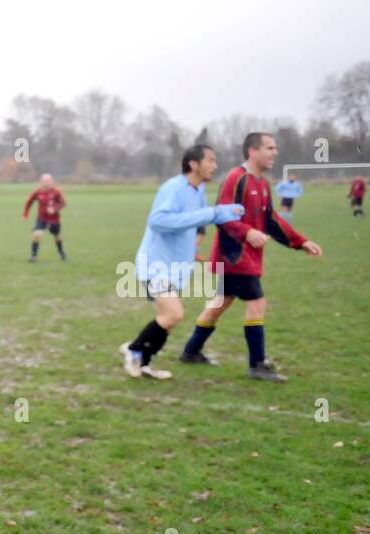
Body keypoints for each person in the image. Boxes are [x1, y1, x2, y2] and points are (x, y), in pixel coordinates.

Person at [178, 132, 322, 381]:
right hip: (234, 257)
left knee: (218, 305)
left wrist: (301, 242)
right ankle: (257, 365)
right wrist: (247, 232)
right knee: (256, 304)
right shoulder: (237, 178)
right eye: (269, 147)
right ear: (252, 151)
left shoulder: (263, 184)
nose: (275, 153)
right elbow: (222, 216)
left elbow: (272, 221)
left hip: (243, 258)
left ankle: (191, 351)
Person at [120, 144, 243, 380]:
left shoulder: (198, 191)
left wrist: (193, 251)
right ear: (193, 164)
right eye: (210, 160)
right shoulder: (174, 187)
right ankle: (134, 349)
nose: (214, 166)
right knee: (173, 314)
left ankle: (143, 361)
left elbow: (190, 225)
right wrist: (211, 213)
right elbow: (158, 221)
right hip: (155, 265)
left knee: (168, 318)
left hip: (174, 267)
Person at [23, 173, 66, 262]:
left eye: (49, 180)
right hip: (42, 219)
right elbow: (28, 203)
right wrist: (25, 214)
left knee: (57, 237)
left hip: (54, 219)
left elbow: (63, 203)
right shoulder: (37, 192)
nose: (47, 182)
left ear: (52, 181)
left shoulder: (56, 192)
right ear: (41, 182)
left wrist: (55, 209)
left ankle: (61, 253)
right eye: (45, 181)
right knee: (37, 234)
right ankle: (33, 256)